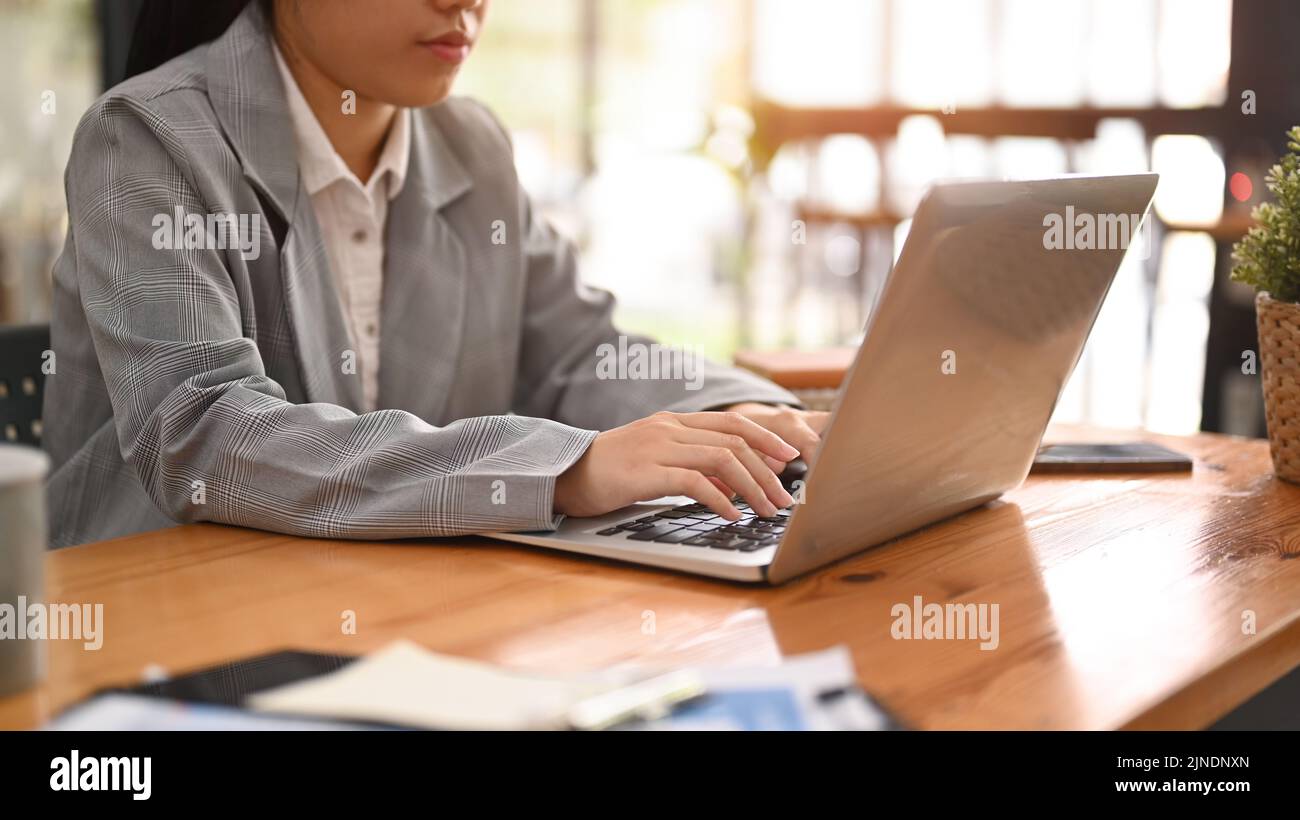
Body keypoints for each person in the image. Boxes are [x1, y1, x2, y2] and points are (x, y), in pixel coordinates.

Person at [43, 0, 828, 548]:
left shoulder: (469, 144)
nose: (466, 2)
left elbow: (576, 353)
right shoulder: (146, 140)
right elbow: (203, 435)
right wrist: (561, 469)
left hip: (387, 606)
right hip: (168, 633)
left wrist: (747, 417)